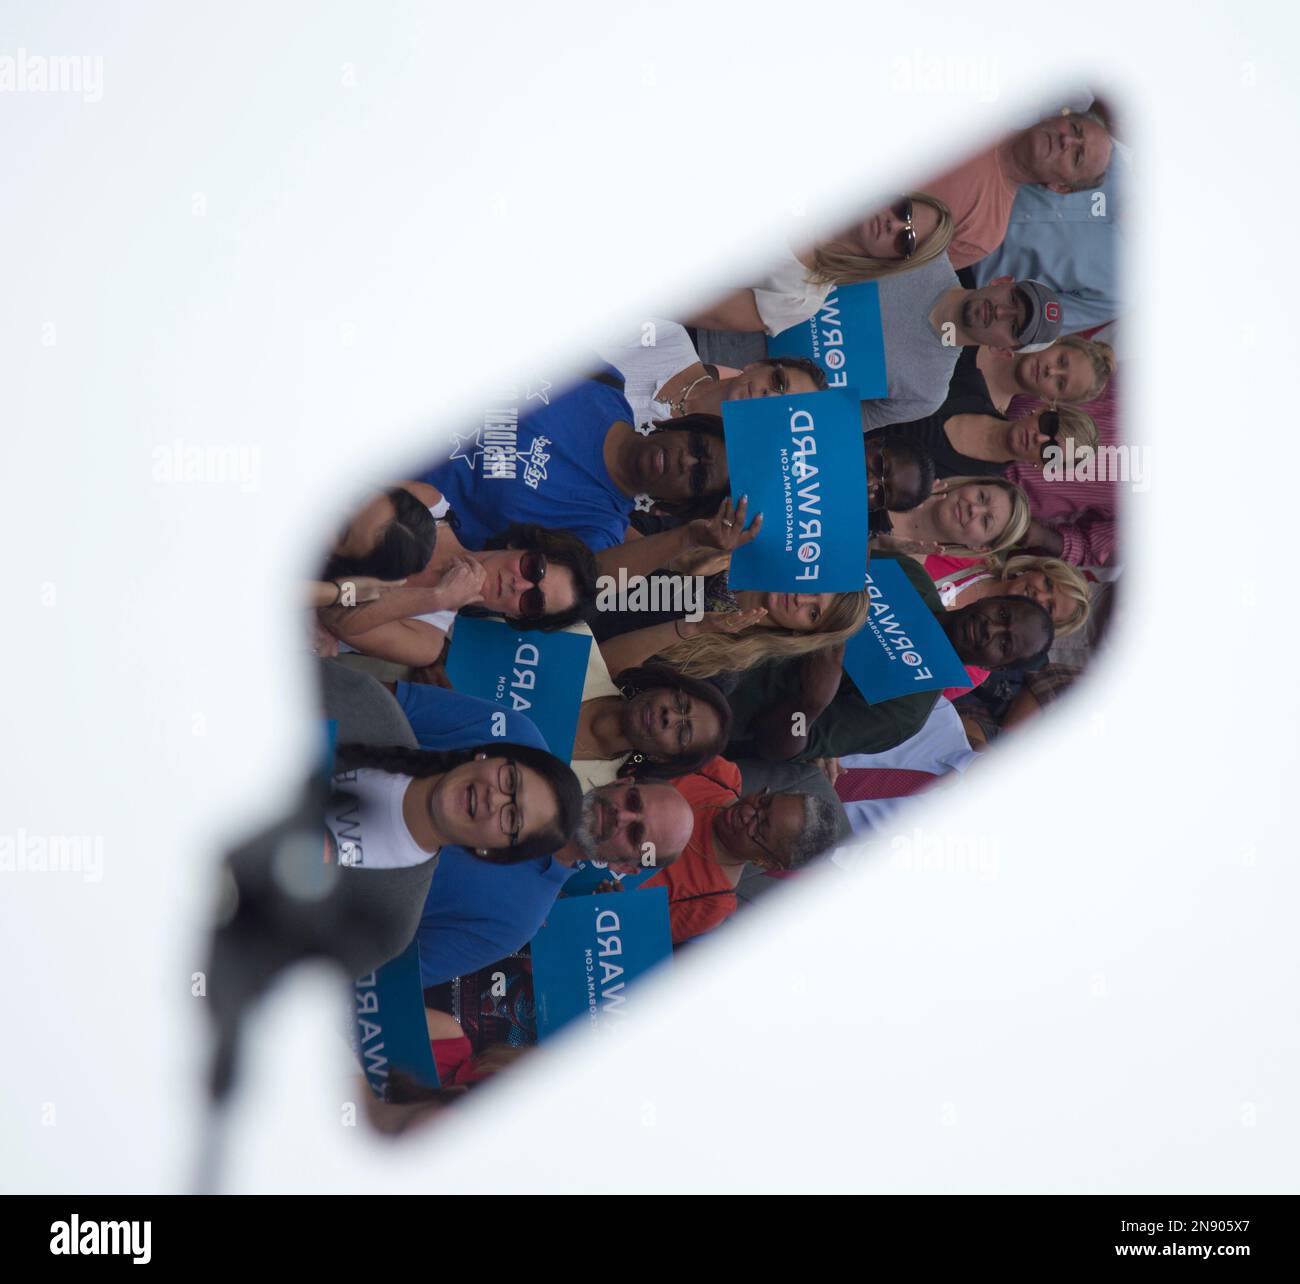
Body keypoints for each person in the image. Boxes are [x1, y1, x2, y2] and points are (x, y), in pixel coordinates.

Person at [723, 554, 1055, 762]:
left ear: (993, 668)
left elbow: (780, 748)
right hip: (719, 604)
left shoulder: (907, 709)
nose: (991, 628)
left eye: (1004, 643)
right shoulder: (908, 575)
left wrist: (809, 703)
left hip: (717, 690)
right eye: (1002, 614)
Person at [319, 519, 598, 667]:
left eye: (533, 601)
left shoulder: (425, 643)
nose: (520, 584)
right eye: (533, 568)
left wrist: (436, 598)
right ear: (520, 545)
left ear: (517, 616)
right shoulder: (433, 508)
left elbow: (336, 615)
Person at [628, 756, 841, 943]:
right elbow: (641, 751)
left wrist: (614, 904)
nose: (747, 812)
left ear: (766, 862)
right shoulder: (720, 776)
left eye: (760, 827)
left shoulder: (710, 903)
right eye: (764, 801)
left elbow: (630, 932)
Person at [685, 193, 955, 336]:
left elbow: (702, 310)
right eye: (903, 210)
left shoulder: (803, 296)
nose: (892, 224)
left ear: (894, 262)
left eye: (905, 239)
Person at [969, 109, 1130, 333]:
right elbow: (1044, 126)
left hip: (970, 288)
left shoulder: (1125, 288)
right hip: (971, 183)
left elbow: (1041, 325)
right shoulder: (1103, 154)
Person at [858, 272, 1065, 431]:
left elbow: (840, 423)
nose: (1001, 312)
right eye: (1013, 300)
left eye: (1013, 326)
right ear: (1001, 280)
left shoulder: (928, 392)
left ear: (1003, 350)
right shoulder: (925, 251)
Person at [924, 110, 1114, 269]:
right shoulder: (981, 107)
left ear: (1060, 187)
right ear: (1057, 117)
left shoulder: (986, 230)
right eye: (1074, 128)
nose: (1067, 140)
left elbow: (906, 272)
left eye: (1077, 156)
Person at [595, 588, 869, 682]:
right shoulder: (724, 547)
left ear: (803, 633)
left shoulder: (723, 667)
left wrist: (692, 627)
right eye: (814, 588)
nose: (801, 599)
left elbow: (608, 672)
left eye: (813, 614)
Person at [594, 319, 827, 426]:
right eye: (778, 381)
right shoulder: (670, 337)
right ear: (755, 365)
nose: (769, 395)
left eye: (782, 408)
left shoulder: (684, 464)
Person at [568, 662, 735, 790]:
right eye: (680, 703)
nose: (669, 716)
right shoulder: (584, 654)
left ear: (662, 758)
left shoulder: (589, 791)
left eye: (682, 733)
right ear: (665, 686)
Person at [875, 397, 1099, 480]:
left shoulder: (973, 486)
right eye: (1049, 425)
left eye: (1051, 451)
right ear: (1041, 410)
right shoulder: (968, 381)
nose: (1039, 437)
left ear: (1042, 465)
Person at [928, 554, 1092, 637]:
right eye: (1048, 584)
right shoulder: (969, 555)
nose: (1040, 597)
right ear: (1036, 569)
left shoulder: (980, 662)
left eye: (1049, 607)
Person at [874, 476, 1032, 561]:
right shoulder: (901, 471)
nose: (974, 509)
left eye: (985, 521)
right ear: (972, 483)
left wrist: (878, 547)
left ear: (979, 548)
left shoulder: (909, 570)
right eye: (981, 496)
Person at [962, 333, 1114, 414]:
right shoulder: (985, 324)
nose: (1051, 371)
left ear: (1052, 400)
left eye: (1060, 383)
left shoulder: (985, 416)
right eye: (1061, 360)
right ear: (1057, 342)